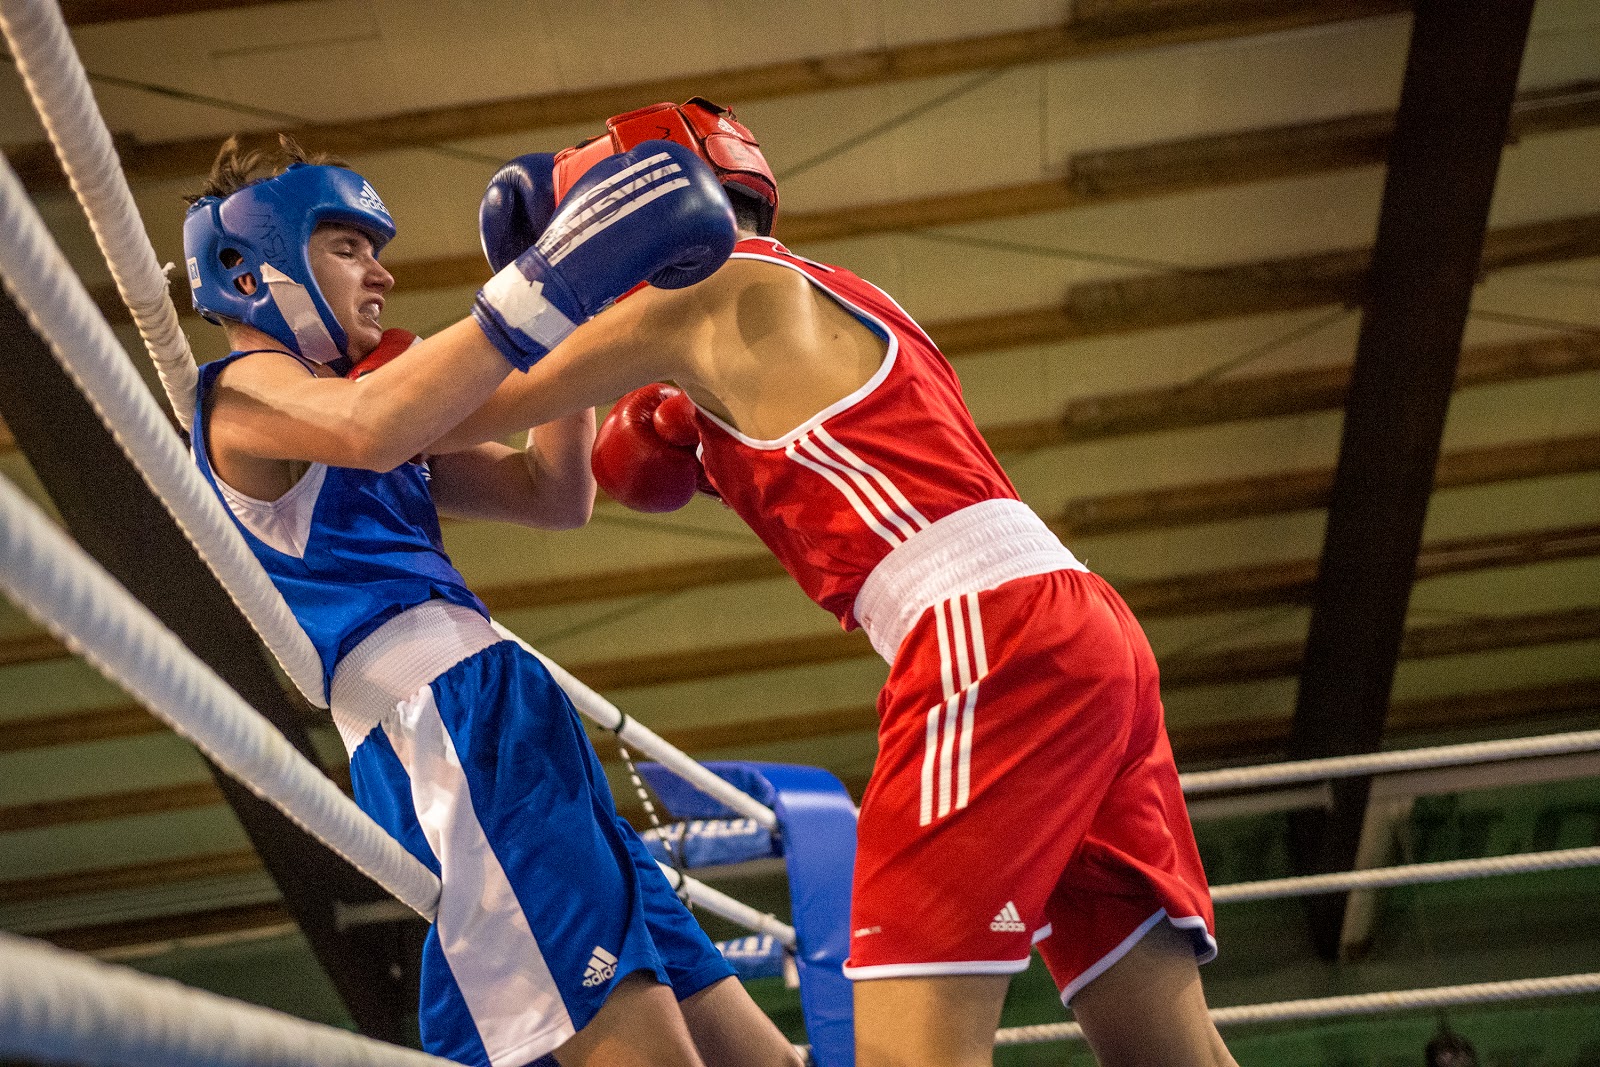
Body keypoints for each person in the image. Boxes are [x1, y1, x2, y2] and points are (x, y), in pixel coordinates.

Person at [433, 100, 1241, 1067]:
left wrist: (520, 285)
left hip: (984, 638)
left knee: (909, 1057)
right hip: (1079, 626)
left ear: (625, 207)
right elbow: (615, 464)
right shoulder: (830, 296)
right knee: (1170, 1054)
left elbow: (443, 408)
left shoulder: (696, 289)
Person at [183, 133, 803, 1067]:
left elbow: (555, 494)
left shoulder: (366, 410)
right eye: (347, 247)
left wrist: (578, 313)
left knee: (753, 1053)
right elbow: (375, 423)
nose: (381, 273)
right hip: (442, 728)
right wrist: (544, 280)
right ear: (250, 264)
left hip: (510, 716)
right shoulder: (242, 395)